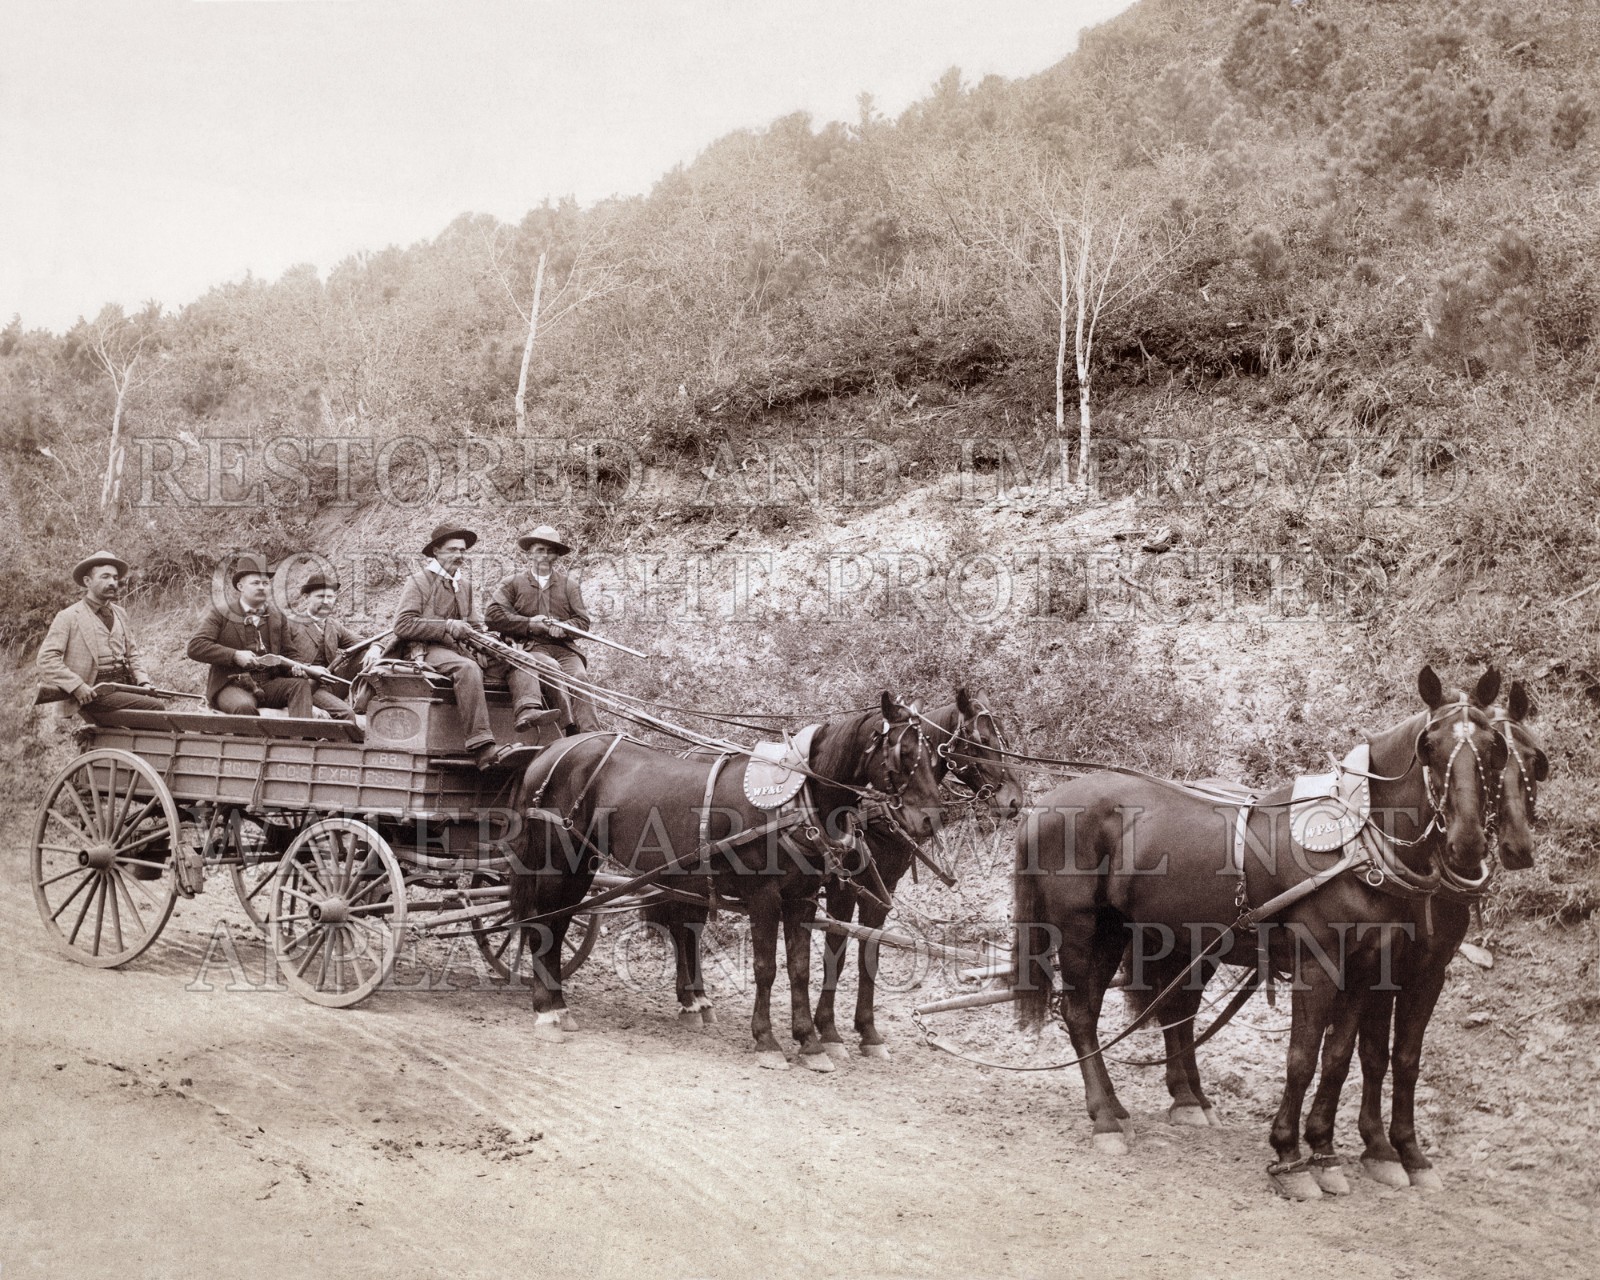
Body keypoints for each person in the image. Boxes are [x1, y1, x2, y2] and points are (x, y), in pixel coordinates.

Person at [393, 523, 507, 770]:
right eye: (452, 550)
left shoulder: (464, 585)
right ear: (436, 551)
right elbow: (402, 625)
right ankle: (481, 744)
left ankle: (526, 718)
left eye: (462, 551)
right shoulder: (419, 581)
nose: (459, 555)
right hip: (426, 650)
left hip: (460, 649)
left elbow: (474, 625)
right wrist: (446, 625)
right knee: (467, 668)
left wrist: (489, 642)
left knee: (510, 659)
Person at [486, 524, 600, 735]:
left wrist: (566, 628)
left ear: (557, 555)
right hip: (530, 647)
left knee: (580, 677)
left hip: (564, 649)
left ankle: (592, 734)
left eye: (550, 551)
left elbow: (583, 622)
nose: (545, 556)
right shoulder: (512, 583)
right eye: (540, 550)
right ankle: (570, 729)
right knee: (551, 668)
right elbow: (493, 616)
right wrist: (530, 624)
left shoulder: (569, 586)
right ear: (530, 553)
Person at [35, 550, 166, 722]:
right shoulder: (68, 616)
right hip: (92, 693)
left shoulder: (120, 613)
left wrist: (143, 682)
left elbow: (132, 654)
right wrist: (77, 686)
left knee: (155, 709)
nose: (112, 582)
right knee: (156, 708)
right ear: (87, 582)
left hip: (123, 687)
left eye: (115, 577)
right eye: (105, 577)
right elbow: (46, 660)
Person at [186, 554, 316, 717]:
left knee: (300, 685)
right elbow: (195, 646)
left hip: (269, 684)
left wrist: (297, 668)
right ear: (240, 586)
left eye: (265, 583)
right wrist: (234, 655)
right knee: (244, 707)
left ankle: (303, 733)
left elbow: (289, 653)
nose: (261, 587)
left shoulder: (277, 617)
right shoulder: (221, 613)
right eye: (255, 583)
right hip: (232, 684)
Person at [286, 572, 365, 720]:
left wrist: (376, 648)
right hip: (305, 686)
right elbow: (281, 658)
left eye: (330, 597)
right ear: (306, 598)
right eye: (320, 596)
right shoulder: (291, 623)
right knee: (346, 714)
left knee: (365, 655)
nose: (326, 601)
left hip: (332, 683)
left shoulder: (333, 625)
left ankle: (363, 703)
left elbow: (362, 642)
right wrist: (306, 669)